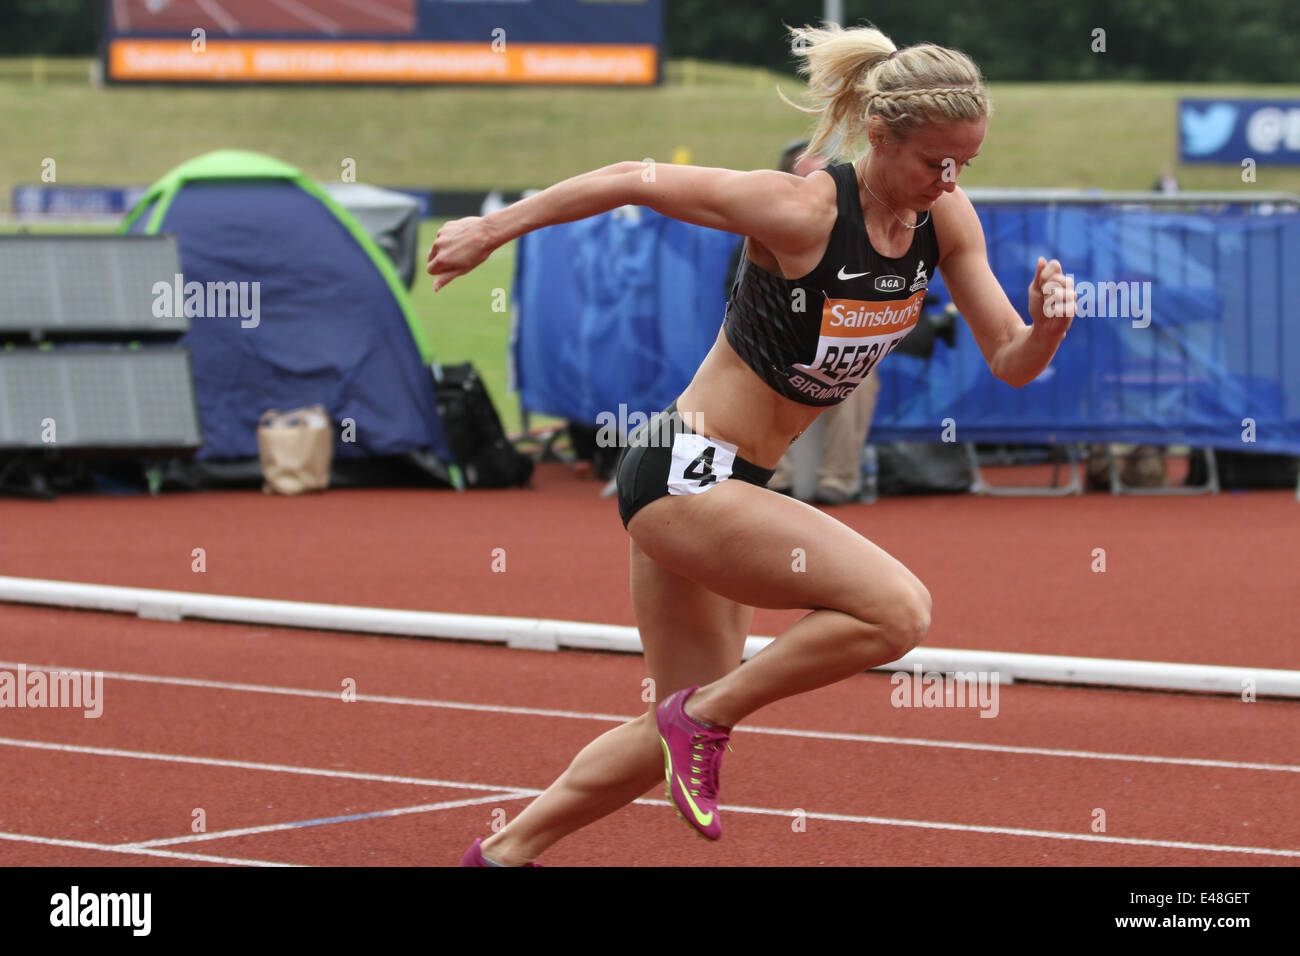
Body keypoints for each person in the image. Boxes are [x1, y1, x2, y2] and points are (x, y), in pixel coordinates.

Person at [429, 22, 1075, 866]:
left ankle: (503, 853)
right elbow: (635, 178)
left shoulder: (944, 221)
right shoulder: (802, 209)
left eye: (966, 164)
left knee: (669, 718)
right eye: (934, 163)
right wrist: (492, 230)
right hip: (681, 476)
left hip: (738, 487)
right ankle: (703, 721)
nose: (949, 180)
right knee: (897, 611)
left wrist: (1049, 331)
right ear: (880, 136)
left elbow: (1008, 358)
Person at [724, 139, 882, 506]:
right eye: (805, 180)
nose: (816, 190)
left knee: (861, 380)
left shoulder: (864, 236)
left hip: (840, 347)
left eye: (824, 180)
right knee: (751, 373)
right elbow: (735, 301)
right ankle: (773, 478)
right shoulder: (758, 234)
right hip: (773, 346)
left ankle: (838, 481)